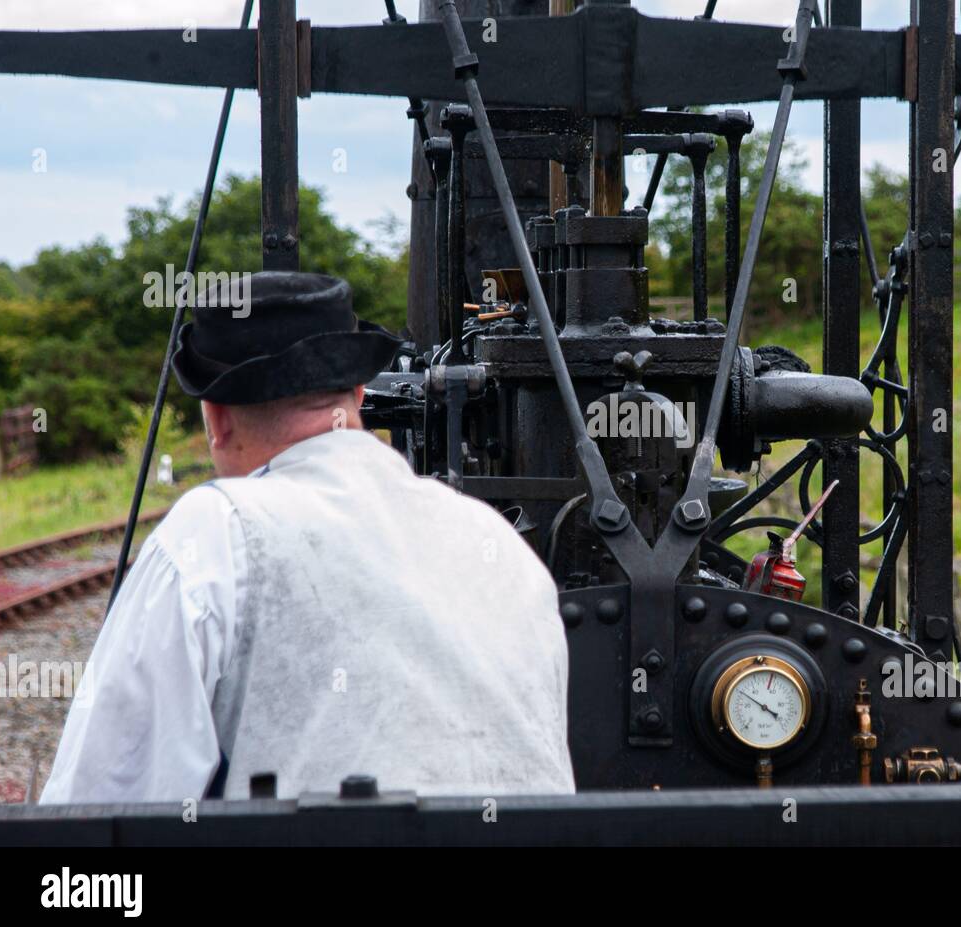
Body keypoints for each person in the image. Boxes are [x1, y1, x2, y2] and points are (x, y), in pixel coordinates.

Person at [40, 272, 575, 802]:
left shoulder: (215, 532)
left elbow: (100, 804)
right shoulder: (496, 542)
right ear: (359, 395)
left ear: (216, 420)